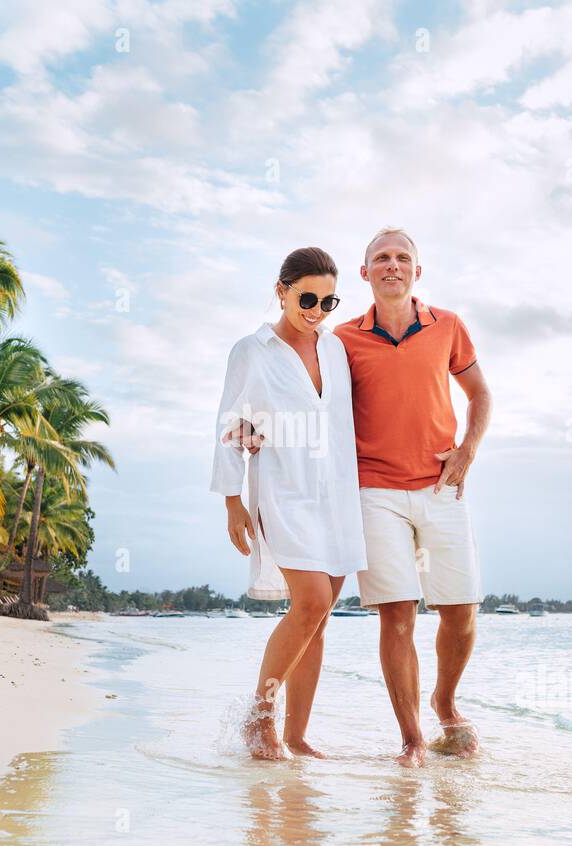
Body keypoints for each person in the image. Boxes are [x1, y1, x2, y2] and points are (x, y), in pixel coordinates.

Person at [334, 227, 492, 767]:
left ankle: (445, 700)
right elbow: (310, 399)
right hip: (373, 489)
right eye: (382, 258)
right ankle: (413, 739)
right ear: (365, 273)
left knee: (460, 609)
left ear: (417, 272)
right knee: (397, 612)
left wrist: (467, 449)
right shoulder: (342, 339)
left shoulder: (447, 326)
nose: (392, 265)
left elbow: (479, 394)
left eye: (403, 258)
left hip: (441, 485)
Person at [210, 246, 367, 761]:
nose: (317, 310)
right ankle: (260, 719)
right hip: (284, 492)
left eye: (329, 300)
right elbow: (231, 427)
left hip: (338, 495)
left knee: (319, 619)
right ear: (281, 290)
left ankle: (297, 735)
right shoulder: (251, 351)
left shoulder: (336, 349)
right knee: (311, 602)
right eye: (307, 297)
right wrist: (233, 502)